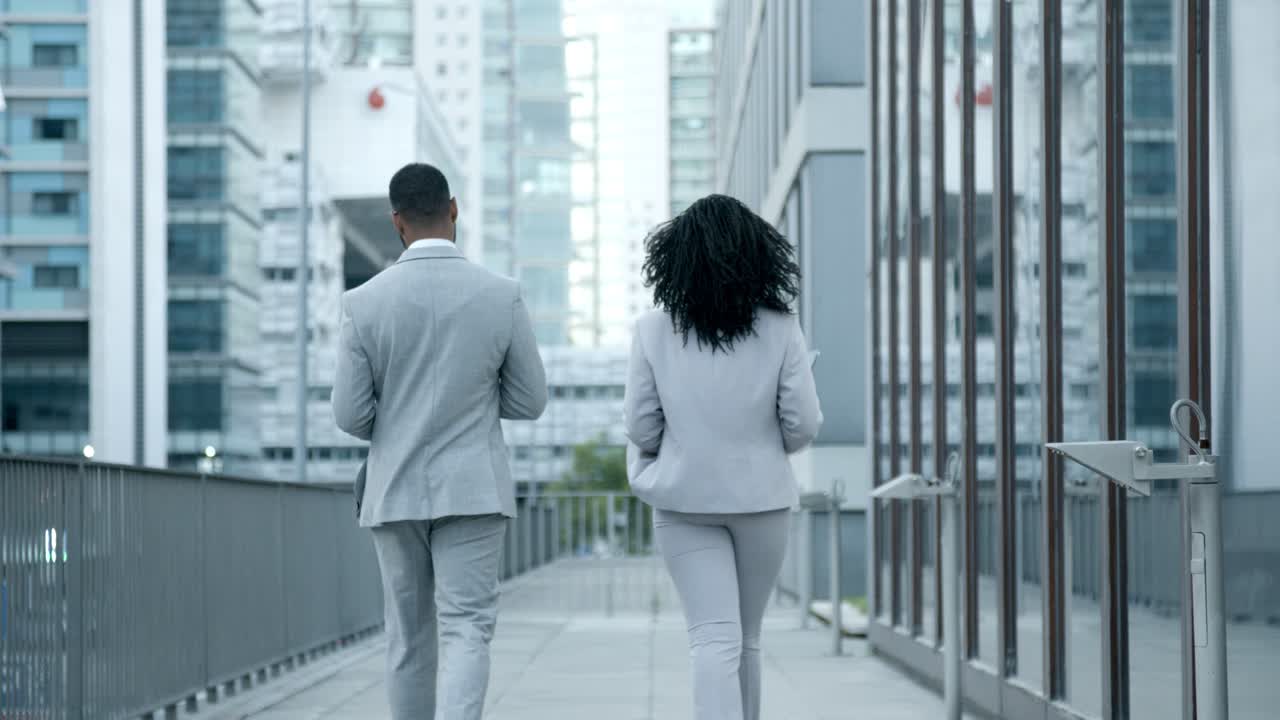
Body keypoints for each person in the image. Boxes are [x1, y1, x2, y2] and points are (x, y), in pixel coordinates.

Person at [332, 163, 547, 720]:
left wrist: (400, 420)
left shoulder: (363, 302)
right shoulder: (501, 296)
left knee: (406, 637)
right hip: (474, 489)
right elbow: (530, 401)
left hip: (395, 490)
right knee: (467, 629)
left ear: (396, 221)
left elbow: (351, 416)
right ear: (453, 210)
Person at [624, 194, 823, 720]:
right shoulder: (781, 328)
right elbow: (803, 424)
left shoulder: (653, 329)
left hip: (683, 501)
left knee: (712, 638)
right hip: (761, 502)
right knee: (747, 640)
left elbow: (640, 426)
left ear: (677, 258)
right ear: (757, 254)